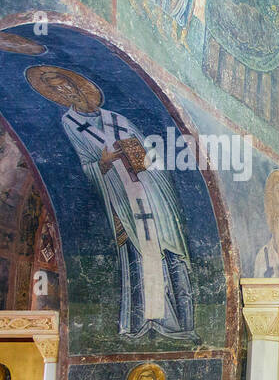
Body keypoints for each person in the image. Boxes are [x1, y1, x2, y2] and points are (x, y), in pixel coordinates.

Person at [30, 66, 197, 342]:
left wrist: (142, 158)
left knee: (164, 254)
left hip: (148, 195)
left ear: (77, 86)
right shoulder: (71, 124)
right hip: (123, 202)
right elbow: (84, 167)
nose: (65, 91)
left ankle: (174, 324)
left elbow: (152, 158)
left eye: (68, 85)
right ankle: (142, 322)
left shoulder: (116, 118)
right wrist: (103, 163)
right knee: (137, 256)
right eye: (58, 90)